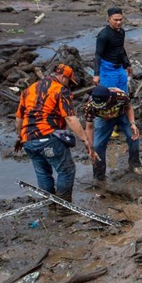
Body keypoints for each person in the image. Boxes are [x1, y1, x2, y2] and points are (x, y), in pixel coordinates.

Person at [15, 64, 97, 206]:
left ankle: (51, 204)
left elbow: (19, 118)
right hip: (48, 137)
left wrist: (19, 137)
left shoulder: (29, 89)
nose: (69, 85)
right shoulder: (61, 90)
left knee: (42, 173)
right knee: (66, 171)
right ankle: (63, 207)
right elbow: (70, 118)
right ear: (63, 77)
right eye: (69, 81)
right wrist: (85, 139)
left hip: (28, 139)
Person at [83, 86, 142, 181]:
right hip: (103, 120)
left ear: (110, 98)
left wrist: (132, 123)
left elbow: (129, 108)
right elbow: (89, 127)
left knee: (134, 137)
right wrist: (90, 146)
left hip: (121, 116)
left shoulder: (121, 96)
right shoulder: (90, 106)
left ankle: (135, 164)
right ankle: (99, 175)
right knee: (97, 146)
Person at [94, 7, 132, 92]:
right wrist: (96, 74)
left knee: (123, 94)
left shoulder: (122, 32)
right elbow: (98, 54)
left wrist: (128, 64)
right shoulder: (103, 35)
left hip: (120, 68)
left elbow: (120, 48)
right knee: (109, 95)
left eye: (120, 19)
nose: (118, 22)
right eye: (115, 20)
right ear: (109, 19)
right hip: (108, 69)